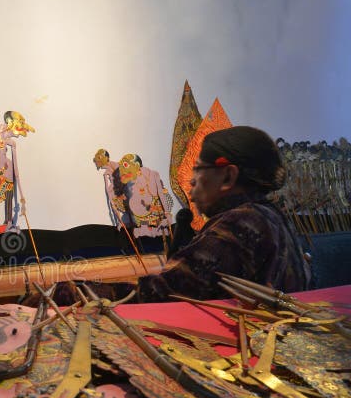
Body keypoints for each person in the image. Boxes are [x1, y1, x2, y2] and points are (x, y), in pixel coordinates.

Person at [52, 126, 311, 304]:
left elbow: (159, 294)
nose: (191, 183)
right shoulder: (273, 216)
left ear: (228, 176)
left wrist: (72, 291)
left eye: (198, 170)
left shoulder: (241, 223)